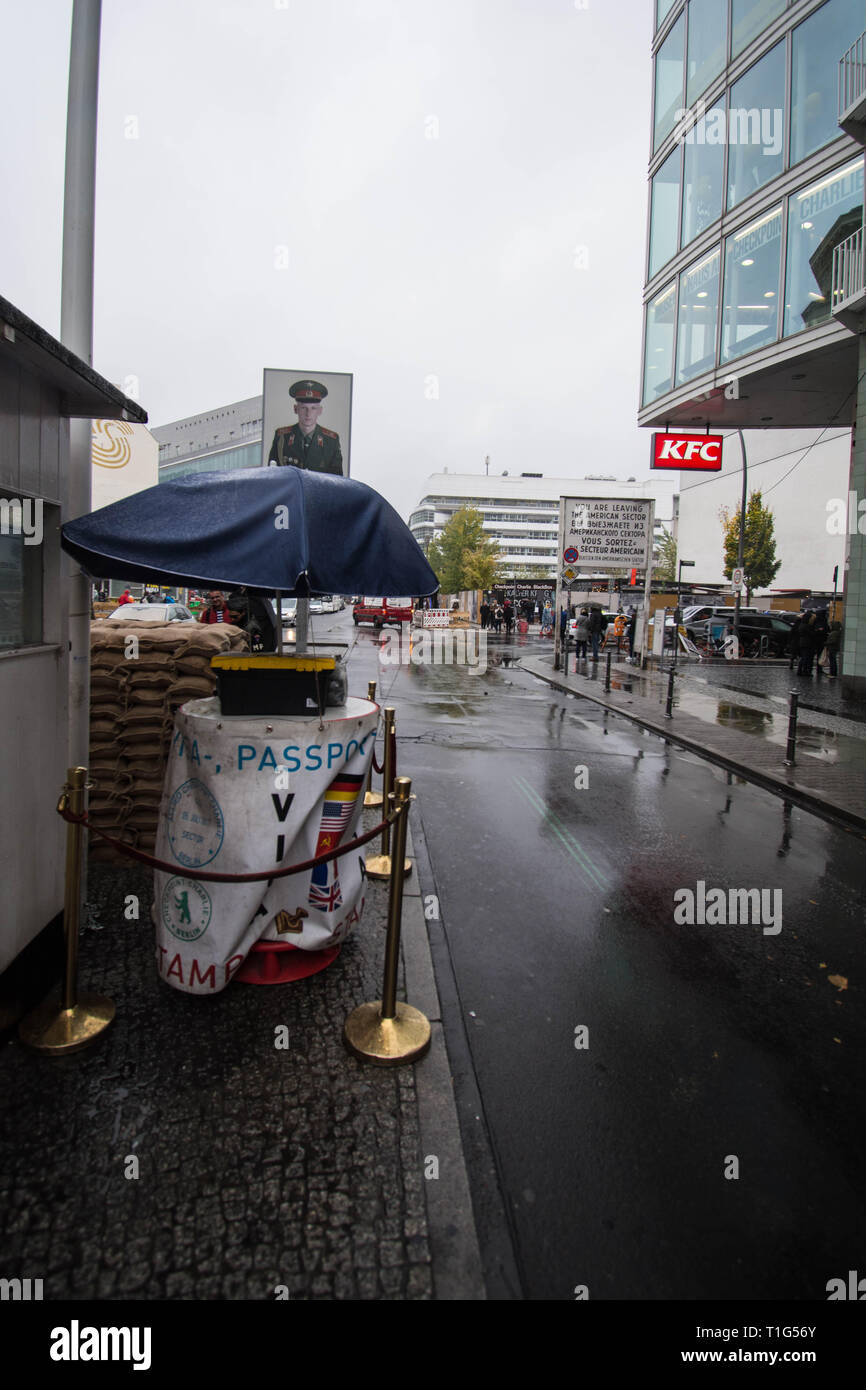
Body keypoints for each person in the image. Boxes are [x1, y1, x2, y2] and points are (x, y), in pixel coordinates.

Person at [268, 379, 343, 475]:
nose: (308, 413)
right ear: (296, 409)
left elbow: (338, 482)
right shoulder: (281, 438)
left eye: (313, 408)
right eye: (303, 408)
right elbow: (272, 476)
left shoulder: (331, 441)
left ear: (320, 411)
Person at [227, 587, 278, 651]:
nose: (232, 619)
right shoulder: (239, 596)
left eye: (235, 617)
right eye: (230, 616)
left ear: (243, 613)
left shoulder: (258, 617)